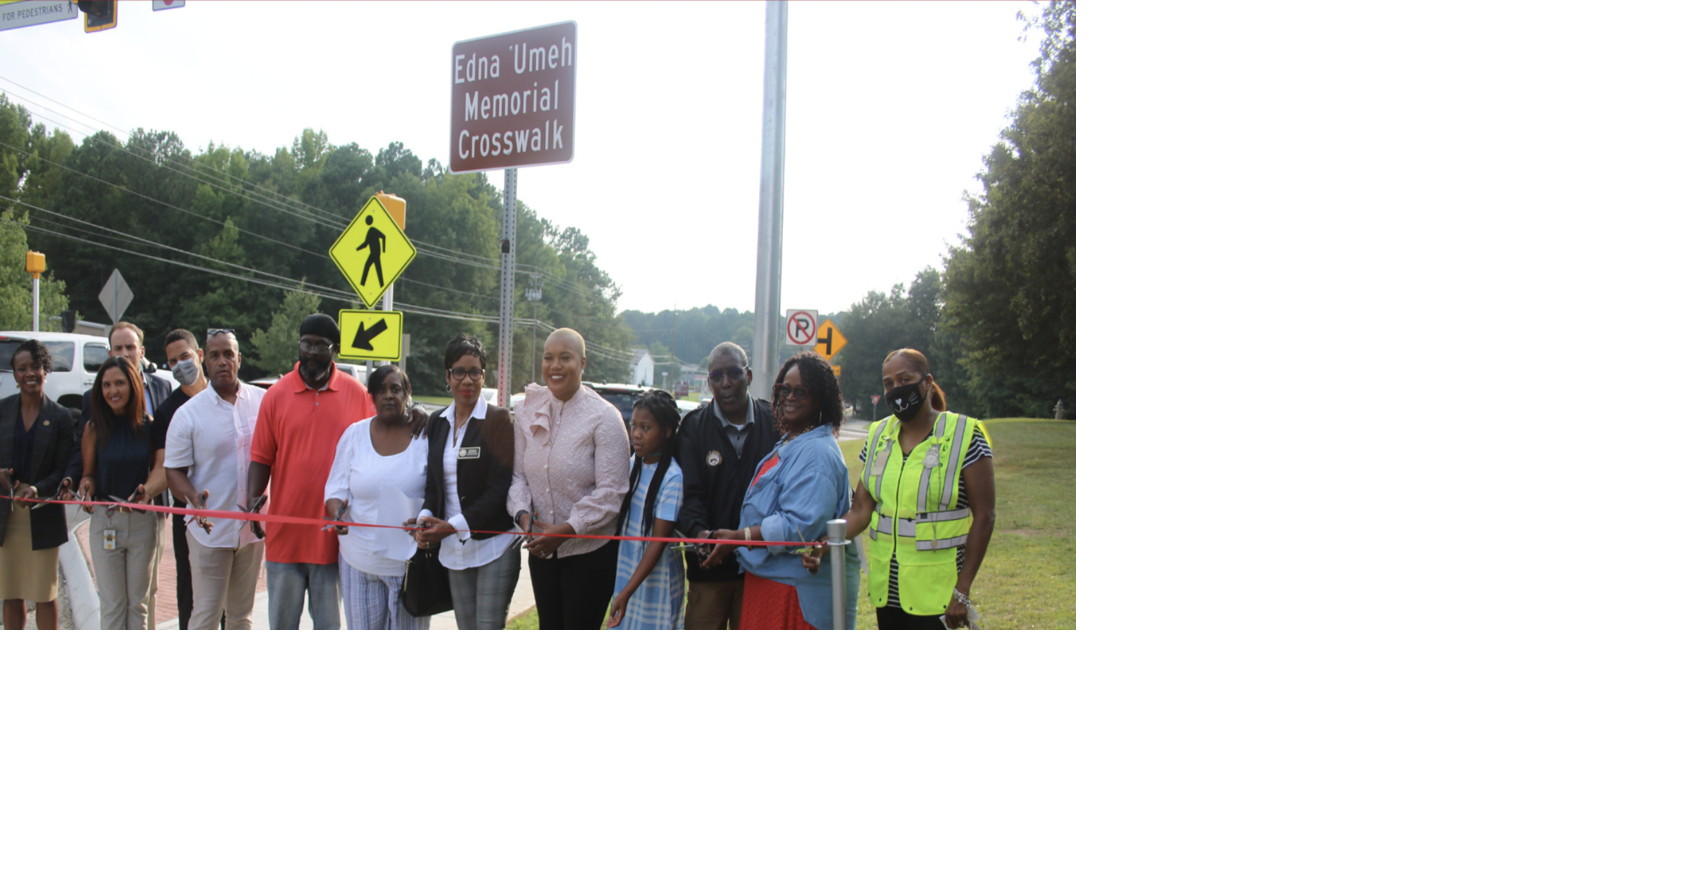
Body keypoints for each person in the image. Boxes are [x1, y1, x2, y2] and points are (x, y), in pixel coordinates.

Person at [246, 314, 425, 630]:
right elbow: (261, 457)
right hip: (284, 536)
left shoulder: (357, 393)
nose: (312, 351)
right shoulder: (275, 394)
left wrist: (416, 412)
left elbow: (388, 422)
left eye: (321, 345)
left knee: (328, 626)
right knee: (282, 625)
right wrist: (252, 503)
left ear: (335, 349)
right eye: (306, 344)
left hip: (332, 543)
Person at [803, 348, 996, 630]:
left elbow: (985, 516)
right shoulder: (879, 435)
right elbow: (860, 510)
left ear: (927, 382)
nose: (896, 389)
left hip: (939, 594)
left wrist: (962, 592)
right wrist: (823, 544)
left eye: (904, 379)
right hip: (888, 594)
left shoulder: (964, 434)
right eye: (889, 383)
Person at [699, 350, 857, 630]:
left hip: (793, 594)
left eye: (801, 391)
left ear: (819, 396)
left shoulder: (818, 452)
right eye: (784, 389)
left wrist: (738, 537)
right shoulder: (790, 441)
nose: (789, 397)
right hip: (767, 584)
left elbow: (797, 527)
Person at [508, 328, 631, 630]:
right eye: (548, 358)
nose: (555, 366)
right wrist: (525, 519)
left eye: (566, 358)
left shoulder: (604, 417)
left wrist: (566, 530)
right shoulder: (527, 410)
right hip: (541, 553)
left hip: (589, 555)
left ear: (583, 363)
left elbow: (612, 493)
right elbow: (518, 477)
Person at [414, 335, 519, 630]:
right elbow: (434, 484)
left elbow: (499, 489)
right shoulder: (437, 421)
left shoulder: (497, 420)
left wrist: (451, 526)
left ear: (484, 376)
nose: (467, 380)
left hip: (493, 545)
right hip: (453, 549)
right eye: (459, 371)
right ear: (447, 376)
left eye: (475, 372)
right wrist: (424, 518)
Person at [164, 330, 265, 630]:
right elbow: (173, 472)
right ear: (204, 360)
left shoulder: (264, 402)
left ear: (239, 359)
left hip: (252, 531)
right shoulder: (188, 415)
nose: (222, 361)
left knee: (241, 616)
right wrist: (193, 498)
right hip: (209, 532)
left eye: (229, 354)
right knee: (206, 615)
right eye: (215, 355)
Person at [674, 342, 778, 630]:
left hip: (763, 570)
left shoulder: (775, 423)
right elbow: (687, 495)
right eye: (717, 376)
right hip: (709, 570)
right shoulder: (693, 428)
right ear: (709, 383)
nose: (726, 382)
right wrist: (701, 535)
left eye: (734, 373)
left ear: (750, 376)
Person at [323, 365, 432, 630]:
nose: (388, 396)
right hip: (359, 563)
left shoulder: (425, 437)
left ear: (407, 394)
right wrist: (337, 514)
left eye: (395, 389)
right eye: (381, 390)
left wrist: (426, 518)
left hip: (408, 569)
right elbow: (335, 490)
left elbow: (439, 490)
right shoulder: (354, 436)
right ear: (371, 396)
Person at [77, 356, 168, 630]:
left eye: (119, 383)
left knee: (137, 605)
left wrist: (146, 491)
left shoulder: (148, 426)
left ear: (132, 385)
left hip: (142, 521)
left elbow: (160, 469)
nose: (112, 391)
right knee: (113, 604)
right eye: (106, 385)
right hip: (106, 521)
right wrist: (86, 488)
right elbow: (88, 474)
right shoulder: (93, 428)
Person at [0, 340, 77, 630]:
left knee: (44, 593)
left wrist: (37, 490)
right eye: (22, 368)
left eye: (35, 366)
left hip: (42, 511)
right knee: (10, 591)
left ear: (46, 369)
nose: (29, 373)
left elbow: (62, 468)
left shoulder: (59, 417)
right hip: (6, 515)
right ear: (15, 374)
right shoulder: (2, 410)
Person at [606, 391, 685, 630]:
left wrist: (627, 592)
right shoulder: (632, 465)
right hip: (627, 570)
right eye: (634, 426)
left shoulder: (672, 478)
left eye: (646, 427)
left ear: (667, 431)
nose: (637, 433)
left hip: (656, 579)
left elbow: (657, 542)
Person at [66, 320, 172, 484]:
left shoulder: (163, 388)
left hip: (149, 497)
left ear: (142, 351)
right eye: (118, 348)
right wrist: (72, 479)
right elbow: (84, 449)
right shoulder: (93, 398)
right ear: (110, 354)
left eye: (130, 347)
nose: (124, 353)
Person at [155, 329, 214, 629]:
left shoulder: (225, 394)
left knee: (229, 596)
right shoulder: (167, 411)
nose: (180, 365)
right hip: (188, 516)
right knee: (189, 590)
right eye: (172, 362)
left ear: (200, 355)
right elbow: (165, 467)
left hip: (228, 510)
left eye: (185, 357)